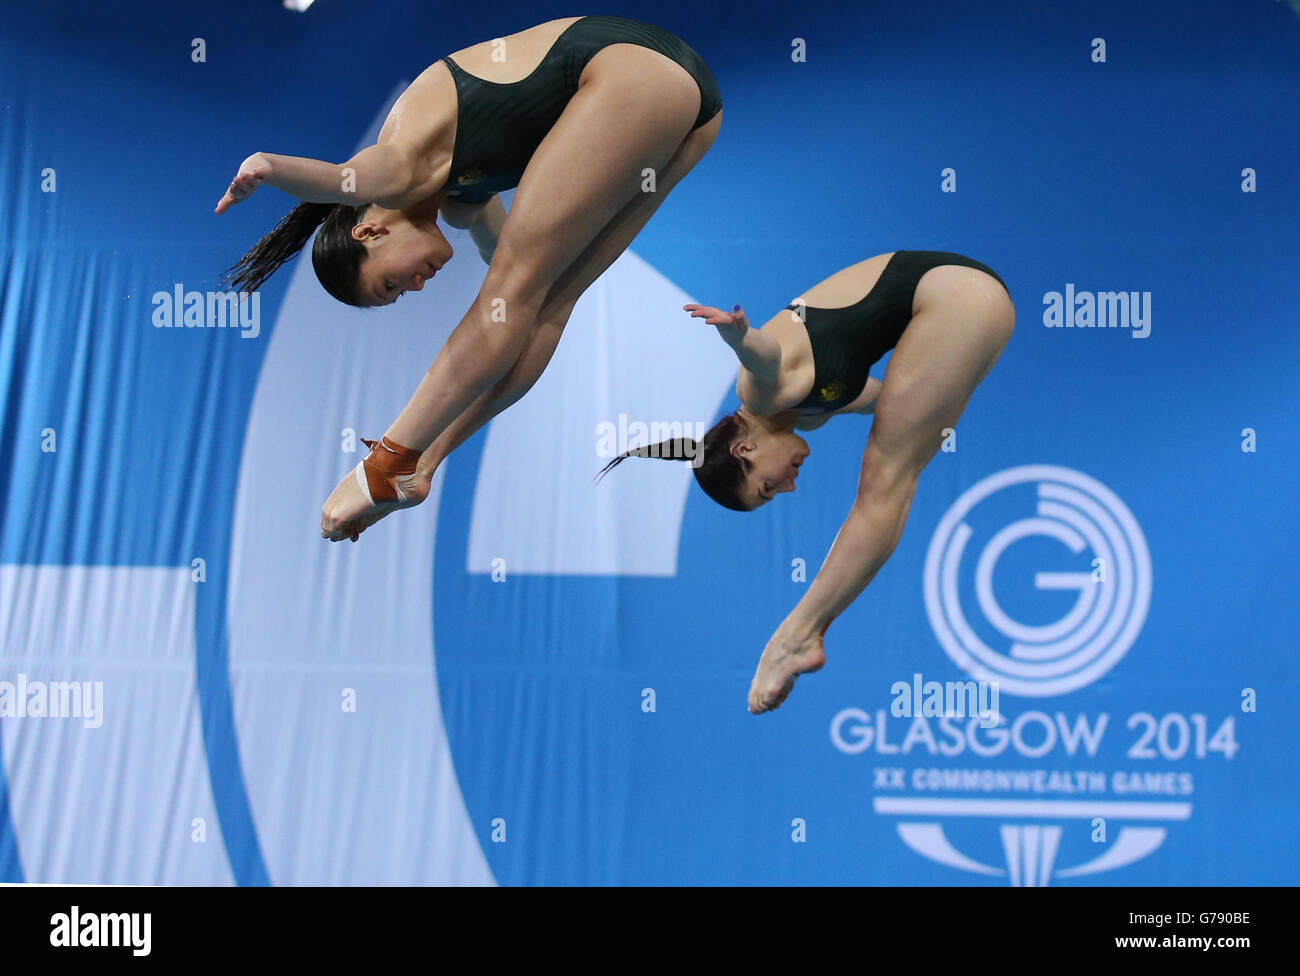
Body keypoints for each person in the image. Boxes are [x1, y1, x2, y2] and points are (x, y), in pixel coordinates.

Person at [214, 16, 722, 540]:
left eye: (390, 285)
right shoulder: (462, 206)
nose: (415, 287)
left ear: (368, 233)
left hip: (634, 69)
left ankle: (386, 463)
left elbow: (343, 180)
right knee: (547, 300)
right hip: (695, 110)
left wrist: (268, 167)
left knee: (515, 292)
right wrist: (428, 457)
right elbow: (518, 302)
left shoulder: (395, 171)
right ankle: (420, 463)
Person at [600, 251, 1015, 713]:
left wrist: (739, 339)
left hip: (957, 293)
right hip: (975, 301)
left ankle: (795, 637)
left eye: (767, 487)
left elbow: (765, 358)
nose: (788, 487)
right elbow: (895, 401)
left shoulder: (758, 394)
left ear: (745, 450)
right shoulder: (812, 415)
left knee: (886, 482)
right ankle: (800, 634)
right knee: (892, 479)